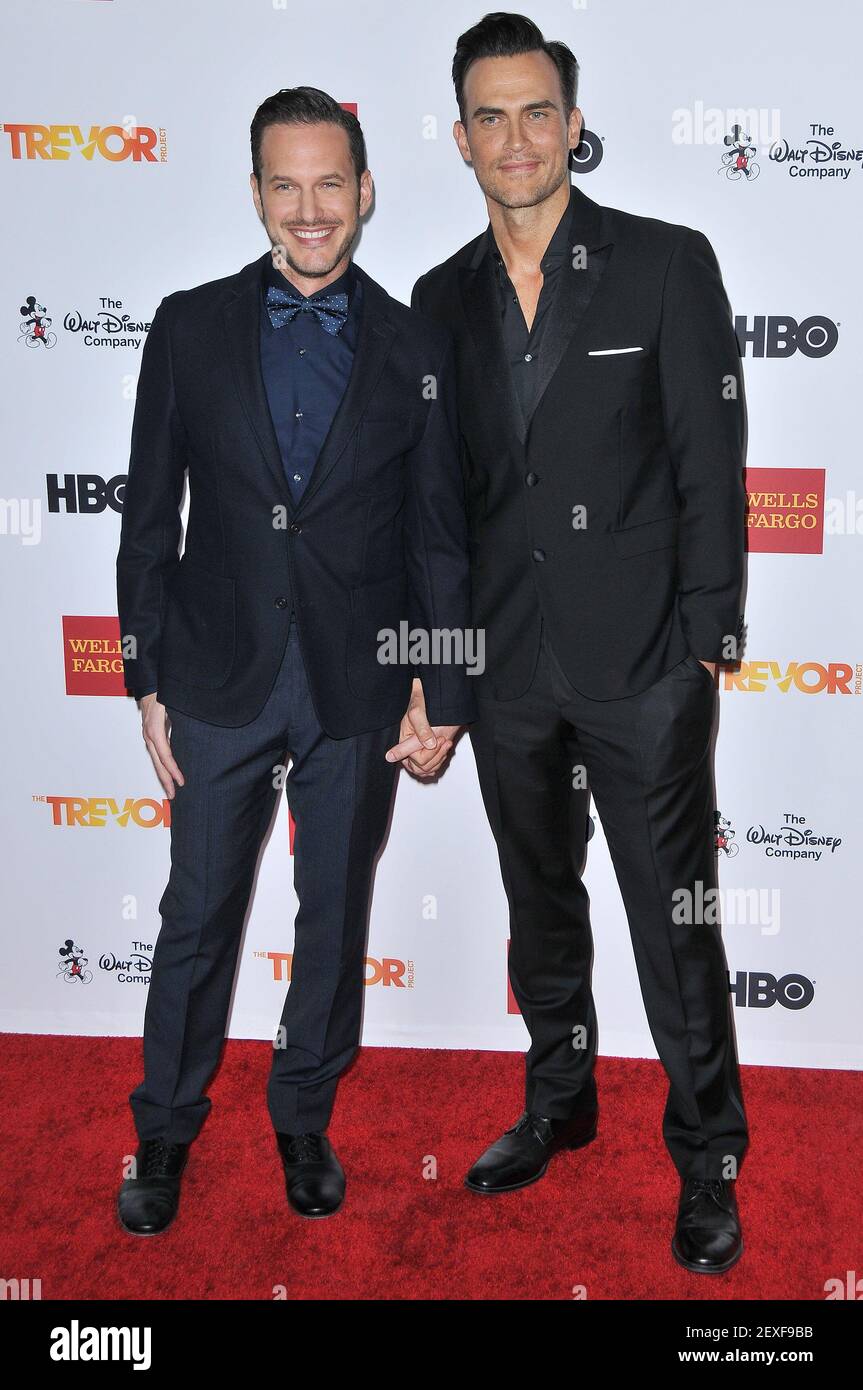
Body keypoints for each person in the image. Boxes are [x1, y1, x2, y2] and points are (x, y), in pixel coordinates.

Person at [412, 12, 749, 1273]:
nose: (515, 136)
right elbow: (439, 510)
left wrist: (703, 641)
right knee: (539, 909)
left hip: (643, 668)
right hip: (504, 672)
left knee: (673, 921)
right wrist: (442, 665)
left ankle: (706, 1155)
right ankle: (558, 1099)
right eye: (488, 116)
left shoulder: (665, 263)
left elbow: (710, 463)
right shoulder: (437, 298)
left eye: (535, 110)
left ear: (570, 121)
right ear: (459, 137)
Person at [115, 86, 476, 1236]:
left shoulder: (419, 344)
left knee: (331, 912)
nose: (309, 209)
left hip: (356, 678)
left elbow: (438, 535)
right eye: (286, 183)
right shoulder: (186, 325)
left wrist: (446, 682)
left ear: (364, 191)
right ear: (256, 192)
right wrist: (142, 673)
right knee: (196, 916)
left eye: (331, 183)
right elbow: (146, 521)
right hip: (218, 673)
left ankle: (303, 1111)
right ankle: (162, 1127)